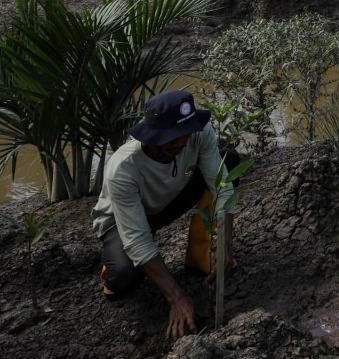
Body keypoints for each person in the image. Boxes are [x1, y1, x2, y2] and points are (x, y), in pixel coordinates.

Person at [93, 90, 240, 337]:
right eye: (171, 138)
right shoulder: (122, 168)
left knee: (230, 161)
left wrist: (225, 244)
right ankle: (111, 267)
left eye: (184, 135)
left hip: (170, 199)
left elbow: (221, 187)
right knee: (124, 280)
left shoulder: (199, 134)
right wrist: (177, 297)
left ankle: (199, 254)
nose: (181, 143)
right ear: (152, 134)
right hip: (122, 220)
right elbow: (137, 238)